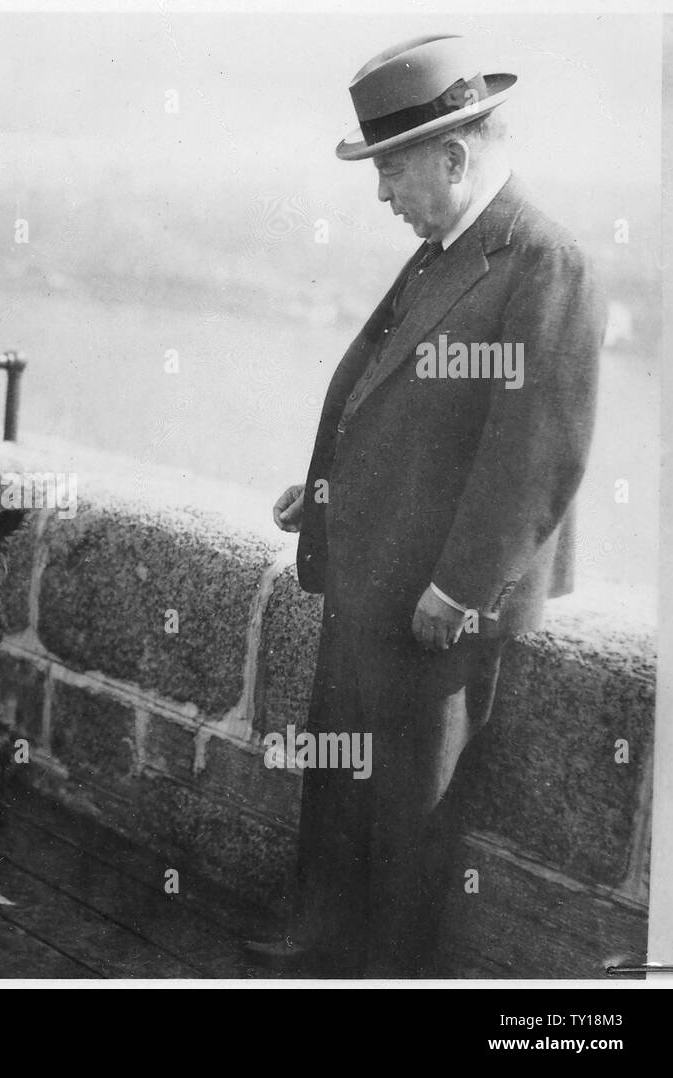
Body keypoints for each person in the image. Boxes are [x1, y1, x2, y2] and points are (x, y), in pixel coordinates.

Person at [258, 35, 605, 976]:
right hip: (377, 578)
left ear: (453, 157)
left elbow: (538, 454)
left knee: (412, 812)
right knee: (344, 789)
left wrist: (459, 588)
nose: (381, 196)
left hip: (438, 603)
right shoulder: (451, 247)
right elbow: (392, 402)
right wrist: (324, 493)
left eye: (391, 172)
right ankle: (324, 952)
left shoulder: (544, 261)